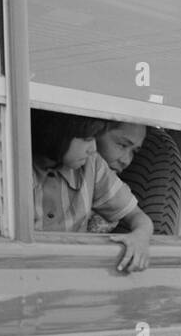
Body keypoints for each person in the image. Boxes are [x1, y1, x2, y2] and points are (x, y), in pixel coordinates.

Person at [30, 110, 153, 273]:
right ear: (57, 133)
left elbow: (138, 216)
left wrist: (141, 235)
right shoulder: (10, 162)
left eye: (95, 138)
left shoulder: (93, 166)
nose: (93, 148)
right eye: (87, 138)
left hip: (72, 270)